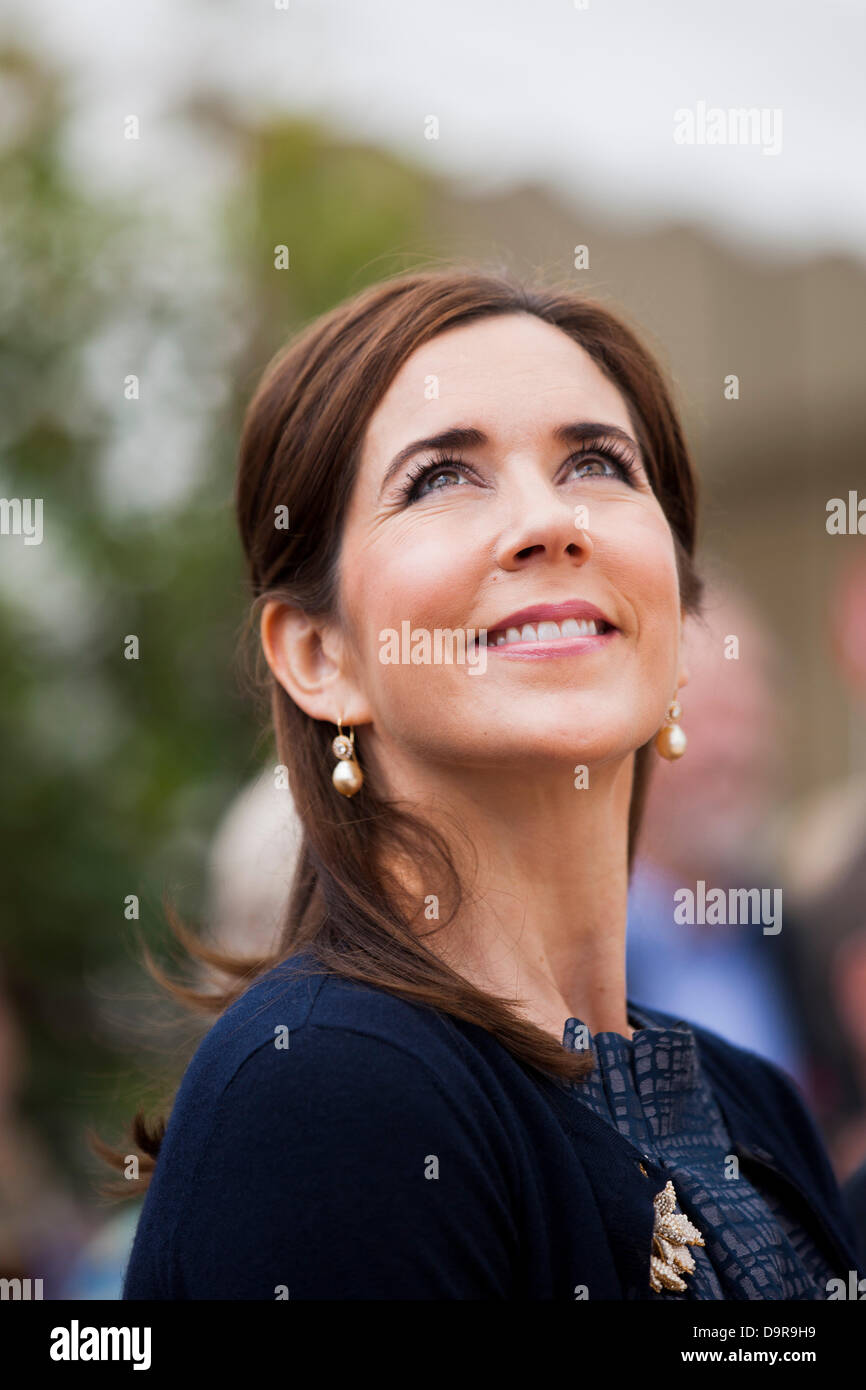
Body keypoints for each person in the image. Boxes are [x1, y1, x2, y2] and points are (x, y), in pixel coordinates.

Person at [114, 265, 860, 1300]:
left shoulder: (750, 1101)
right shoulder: (326, 1095)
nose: (550, 522)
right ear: (318, 653)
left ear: (681, 618)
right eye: (439, 477)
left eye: (596, 462)